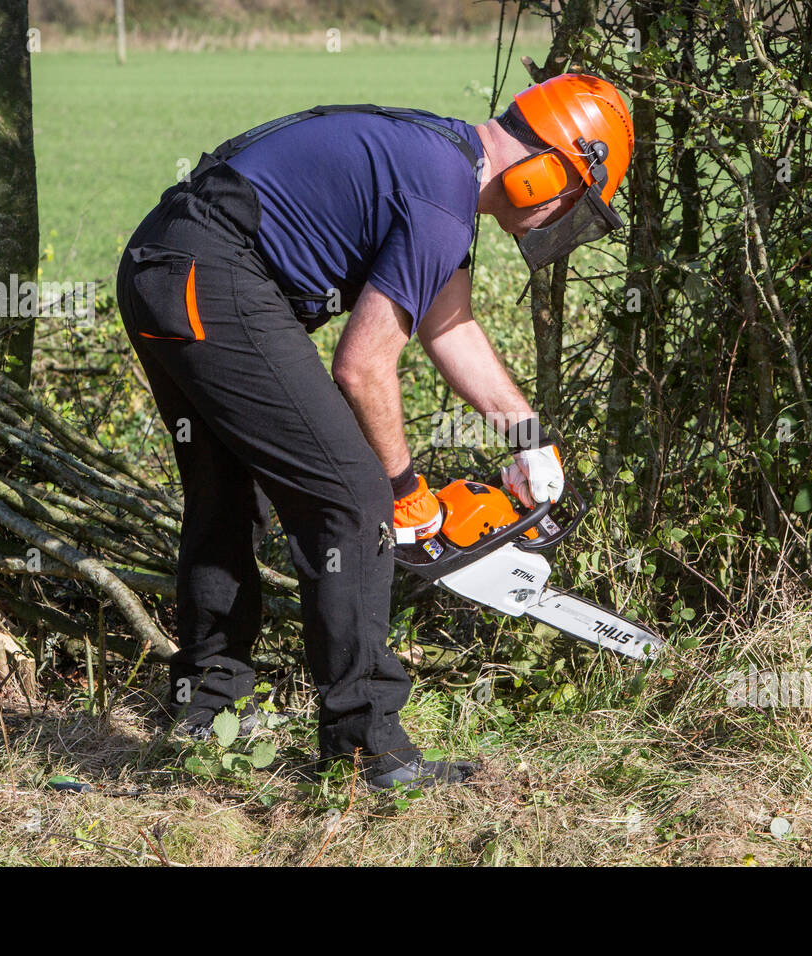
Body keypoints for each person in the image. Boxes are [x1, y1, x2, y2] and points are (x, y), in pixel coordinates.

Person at [115, 73, 634, 790]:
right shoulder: (440, 197)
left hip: (164, 268)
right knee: (354, 499)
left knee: (225, 492)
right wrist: (402, 490)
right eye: (572, 200)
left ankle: (208, 710)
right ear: (547, 168)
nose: (560, 218)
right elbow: (361, 367)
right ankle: (368, 751)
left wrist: (528, 435)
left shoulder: (443, 167)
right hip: (214, 275)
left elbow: (449, 326)